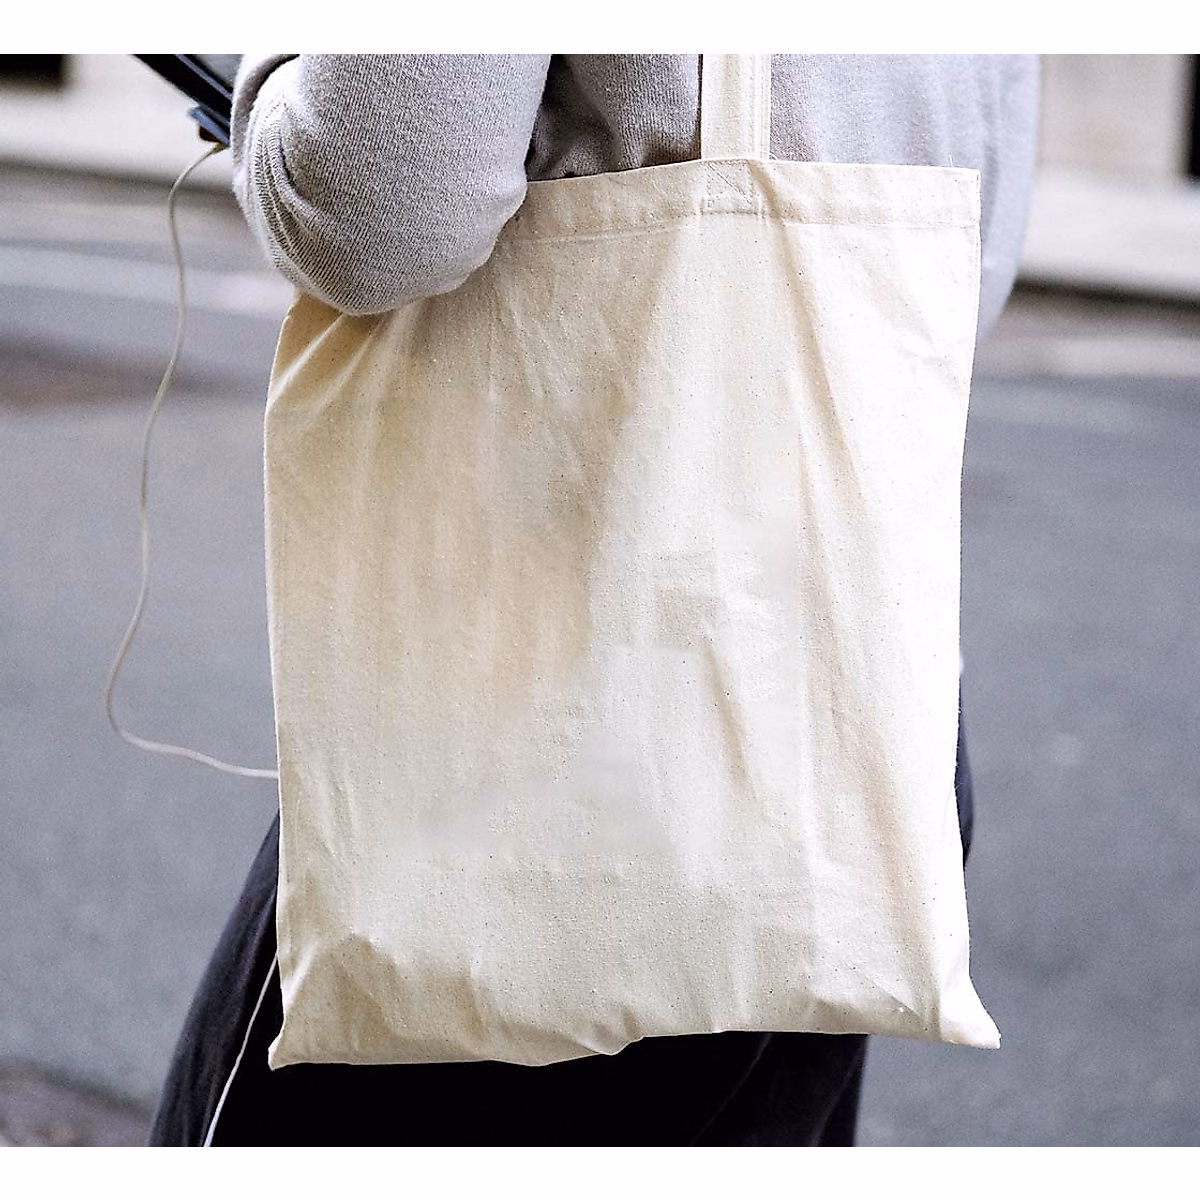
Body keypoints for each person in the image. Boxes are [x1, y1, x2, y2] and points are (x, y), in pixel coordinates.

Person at [149, 54, 1040, 1147]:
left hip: (553, 748)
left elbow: (378, 202)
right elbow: (971, 253)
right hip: (843, 731)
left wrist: (279, 84)